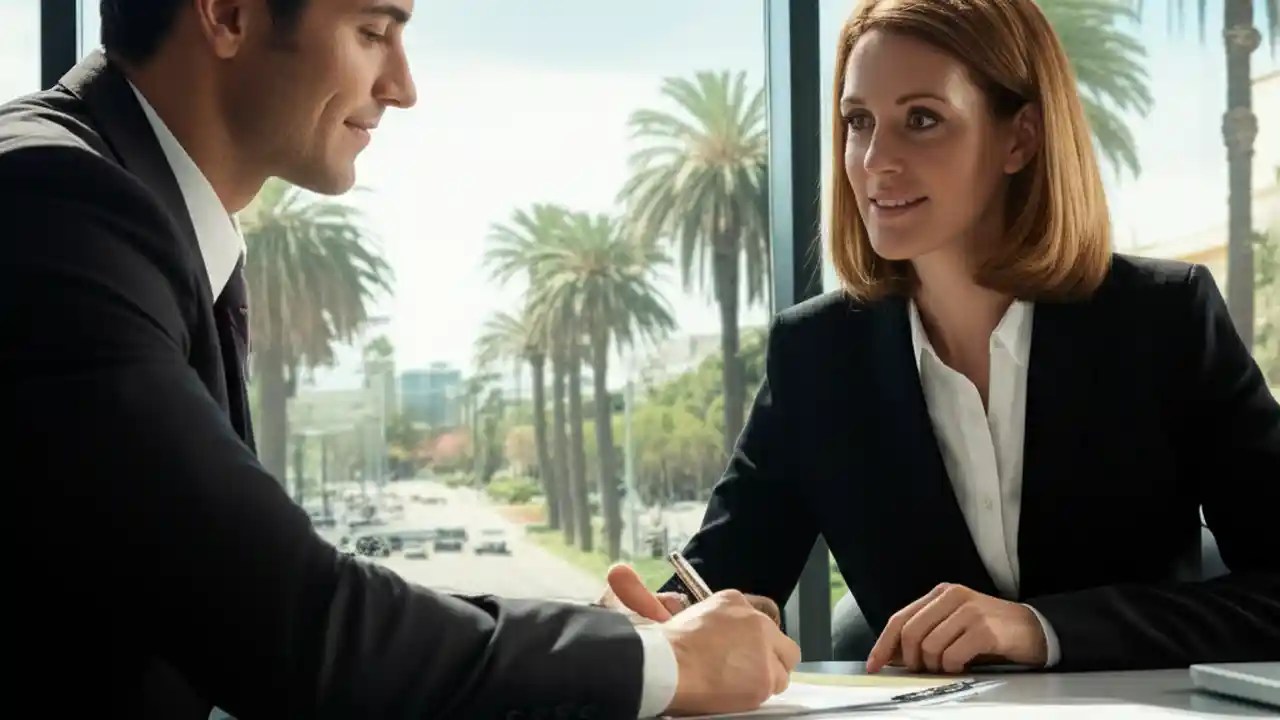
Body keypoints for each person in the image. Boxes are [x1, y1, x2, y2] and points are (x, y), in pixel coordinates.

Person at [0, 0, 800, 717]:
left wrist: (590, 639)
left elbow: (238, 595)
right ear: (229, 14)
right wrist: (659, 662)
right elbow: (288, 627)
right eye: (372, 32)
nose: (404, 86)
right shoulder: (58, 210)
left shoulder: (118, 207)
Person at [605, 0, 1280, 674]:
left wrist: (1039, 629)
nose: (875, 160)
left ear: (1020, 138)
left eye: (921, 120)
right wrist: (650, 629)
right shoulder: (819, 358)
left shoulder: (1163, 321)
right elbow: (712, 583)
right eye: (858, 122)